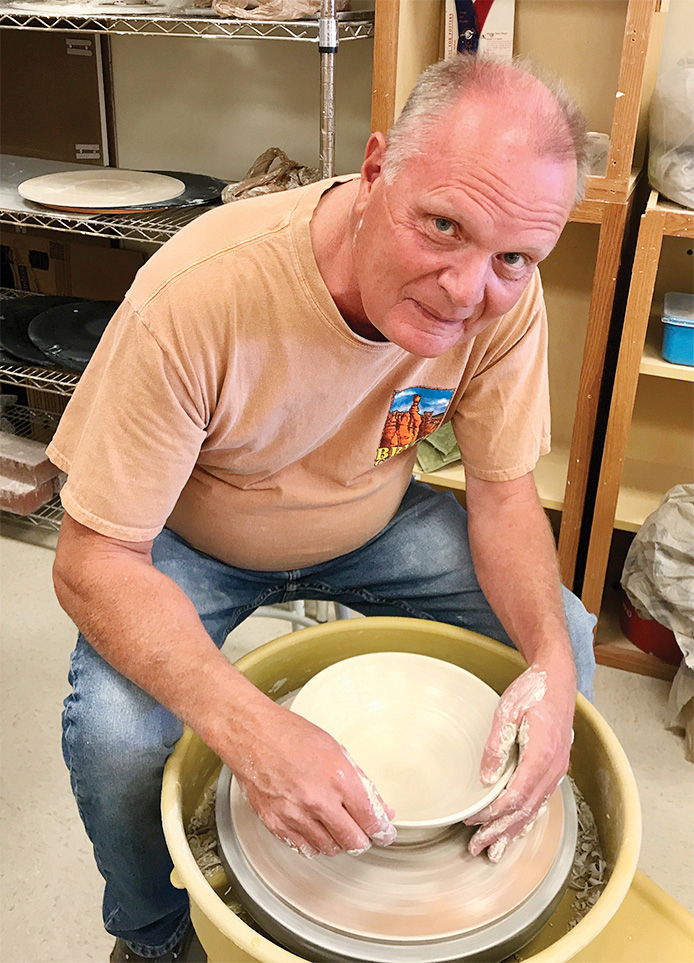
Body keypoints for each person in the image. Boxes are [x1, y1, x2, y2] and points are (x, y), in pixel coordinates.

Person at [49, 54, 597, 963]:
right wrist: (248, 729)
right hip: (196, 540)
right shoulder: (203, 291)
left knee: (567, 648)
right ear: (377, 169)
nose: (469, 290)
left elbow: (502, 498)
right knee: (117, 740)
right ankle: (149, 936)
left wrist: (548, 666)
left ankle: (477, 882)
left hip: (375, 523)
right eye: (442, 225)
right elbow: (91, 559)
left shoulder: (507, 295)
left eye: (511, 256)